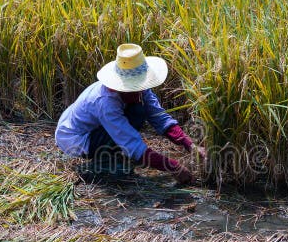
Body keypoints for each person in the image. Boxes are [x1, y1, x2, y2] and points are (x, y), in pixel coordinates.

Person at [55, 43, 204, 183]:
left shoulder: (141, 89)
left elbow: (160, 118)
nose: (138, 91)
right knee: (121, 167)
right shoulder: (106, 102)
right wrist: (173, 167)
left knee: (138, 110)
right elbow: (133, 145)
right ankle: (103, 163)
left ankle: (113, 154)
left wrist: (190, 145)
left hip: (94, 126)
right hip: (75, 138)